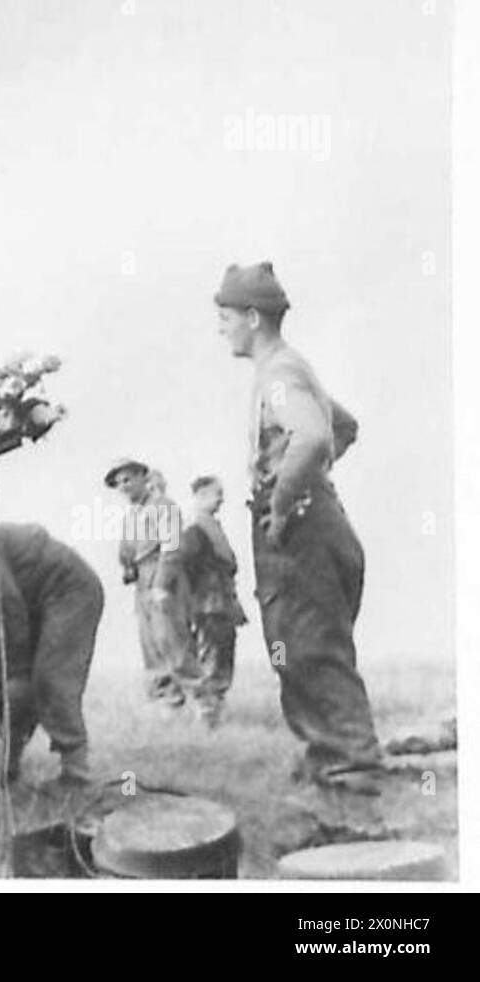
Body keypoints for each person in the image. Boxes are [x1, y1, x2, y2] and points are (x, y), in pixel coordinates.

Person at [214, 261, 382, 794]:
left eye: (226, 317)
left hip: (297, 532)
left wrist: (286, 500)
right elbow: (342, 427)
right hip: (316, 522)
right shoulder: (288, 369)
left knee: (306, 644)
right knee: (298, 643)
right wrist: (311, 487)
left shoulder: (280, 375)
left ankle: (350, 771)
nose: (221, 329)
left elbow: (312, 438)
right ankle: (329, 756)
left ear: (254, 319)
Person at [0, 522, 103, 785]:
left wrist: (14, 675)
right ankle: (7, 764)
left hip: (69, 590)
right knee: (16, 682)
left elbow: (9, 609)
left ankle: (76, 769)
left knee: (50, 677)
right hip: (33, 598)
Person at [106, 458, 195, 708]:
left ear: (142, 478)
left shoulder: (162, 506)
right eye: (119, 483)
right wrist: (129, 570)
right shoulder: (132, 515)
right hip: (142, 582)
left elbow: (172, 546)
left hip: (163, 576)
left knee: (173, 644)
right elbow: (127, 554)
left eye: (128, 479)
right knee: (152, 649)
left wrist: (162, 584)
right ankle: (170, 705)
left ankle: (207, 705)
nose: (123, 486)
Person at [160, 475, 248, 728]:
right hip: (209, 603)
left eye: (221, 493)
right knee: (212, 657)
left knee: (220, 655)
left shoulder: (209, 525)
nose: (221, 498)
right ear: (199, 496)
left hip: (220, 601)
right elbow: (178, 560)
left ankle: (213, 713)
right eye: (215, 493)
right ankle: (209, 716)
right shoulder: (195, 528)